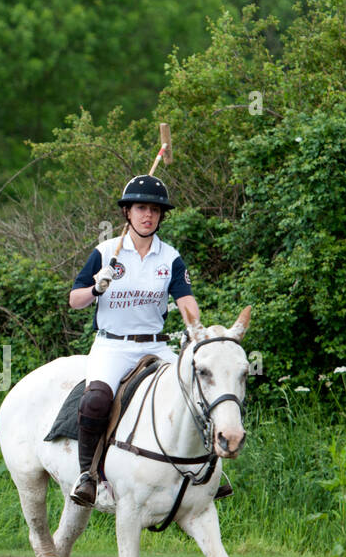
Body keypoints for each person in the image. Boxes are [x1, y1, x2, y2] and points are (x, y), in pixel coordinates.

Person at [66, 174, 230, 506]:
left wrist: (197, 330)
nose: (148, 215)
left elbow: (185, 300)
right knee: (95, 400)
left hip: (154, 345)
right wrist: (96, 287)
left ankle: (212, 469)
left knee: (196, 389)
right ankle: (88, 475)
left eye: (155, 210)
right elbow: (75, 300)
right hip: (113, 346)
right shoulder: (104, 252)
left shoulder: (170, 257)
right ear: (127, 212)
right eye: (140, 208)